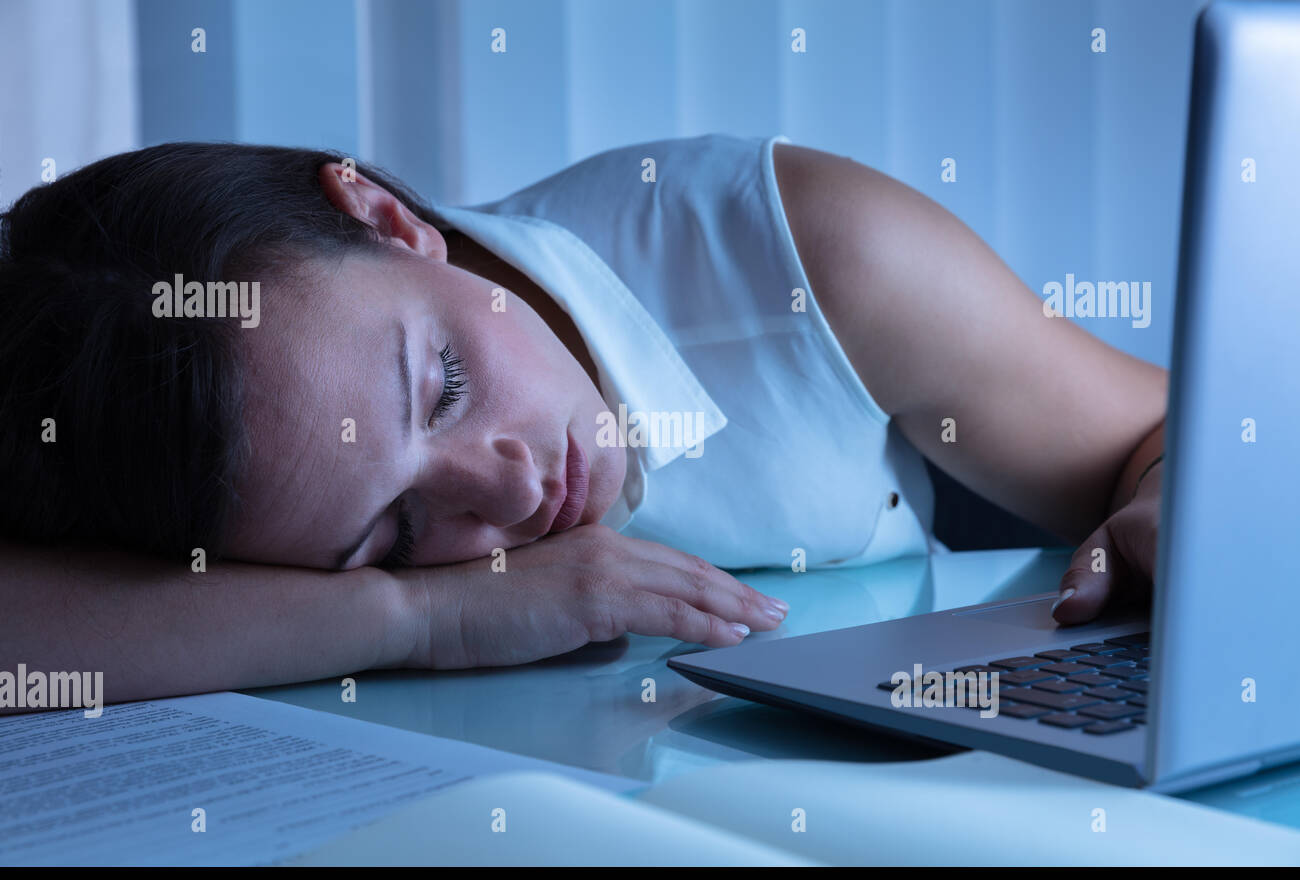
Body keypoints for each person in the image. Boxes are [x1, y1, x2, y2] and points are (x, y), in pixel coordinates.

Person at [0, 134, 1166, 707]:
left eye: (444, 385)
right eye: (395, 528)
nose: (503, 492)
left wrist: (1168, 495)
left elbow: (1171, 437)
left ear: (387, 216)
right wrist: (413, 614)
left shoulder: (819, 260)